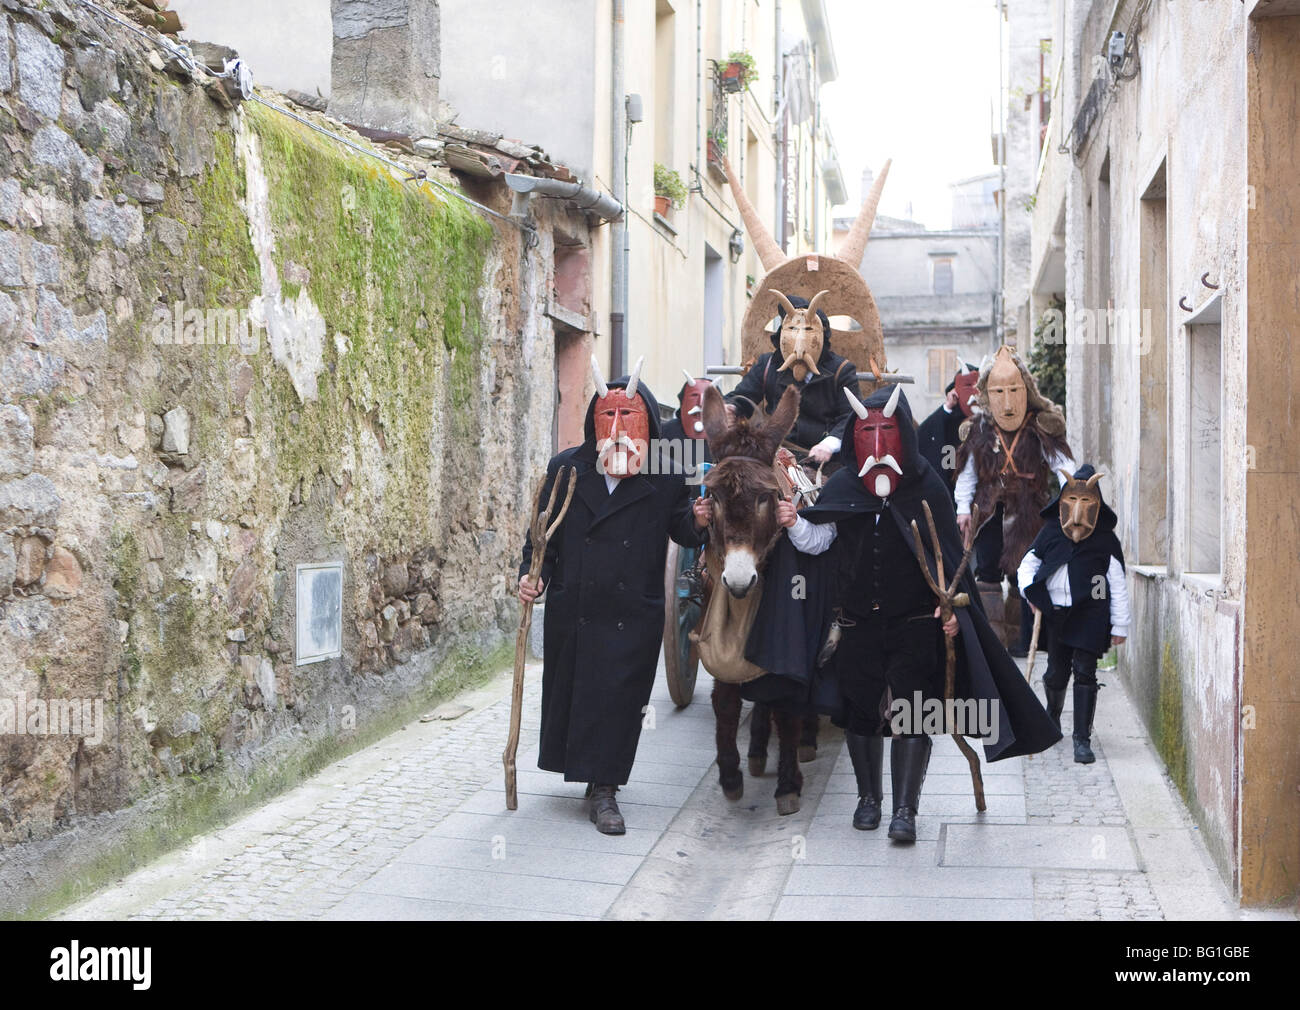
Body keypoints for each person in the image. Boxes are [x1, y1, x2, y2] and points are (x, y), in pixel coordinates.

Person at [790, 384, 1061, 841]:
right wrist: (793, 523)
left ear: (903, 435)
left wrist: (955, 611)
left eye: (886, 430)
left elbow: (952, 562)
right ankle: (868, 800)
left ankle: (905, 812)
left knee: (914, 713)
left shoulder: (926, 485)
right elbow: (821, 542)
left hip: (916, 623)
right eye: (867, 430)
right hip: (858, 624)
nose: (877, 442)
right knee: (860, 712)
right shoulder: (841, 486)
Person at [518, 356, 710, 834]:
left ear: (648, 422)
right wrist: (532, 576)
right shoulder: (567, 469)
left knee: (621, 702)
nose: (619, 426)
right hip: (576, 610)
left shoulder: (664, 475)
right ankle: (588, 774)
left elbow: (681, 529)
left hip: (632, 613)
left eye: (631, 416)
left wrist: (700, 520)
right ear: (593, 422)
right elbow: (541, 538)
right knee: (579, 694)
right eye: (609, 415)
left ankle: (606, 790)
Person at [954, 345, 1075, 655]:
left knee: (1025, 573)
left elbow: (1063, 465)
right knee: (988, 574)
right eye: (998, 390)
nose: (1007, 401)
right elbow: (967, 474)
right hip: (989, 512)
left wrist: (1070, 499)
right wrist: (963, 510)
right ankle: (994, 642)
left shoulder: (1041, 426)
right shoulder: (978, 429)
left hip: (1029, 510)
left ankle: (1024, 642)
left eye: (1013, 389)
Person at [1017, 465, 1128, 764]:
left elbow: (1116, 583)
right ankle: (1052, 718)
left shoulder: (1104, 540)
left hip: (1090, 614)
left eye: (1087, 503)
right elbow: (1026, 566)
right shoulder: (1051, 531)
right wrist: (1032, 593)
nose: (1078, 511)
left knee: (1084, 671)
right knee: (1056, 672)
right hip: (1055, 613)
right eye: (1073, 502)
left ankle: (1082, 738)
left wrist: (1120, 624)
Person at [725, 293, 861, 464]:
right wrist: (731, 407)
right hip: (775, 454)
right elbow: (744, 396)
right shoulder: (768, 364)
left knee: (837, 488)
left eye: (808, 331)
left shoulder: (841, 370)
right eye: (793, 331)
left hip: (823, 459)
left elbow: (850, 416)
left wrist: (829, 444)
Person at [917, 362, 978, 501]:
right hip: (951, 490)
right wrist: (948, 407)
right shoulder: (947, 419)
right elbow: (923, 437)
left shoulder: (986, 419)